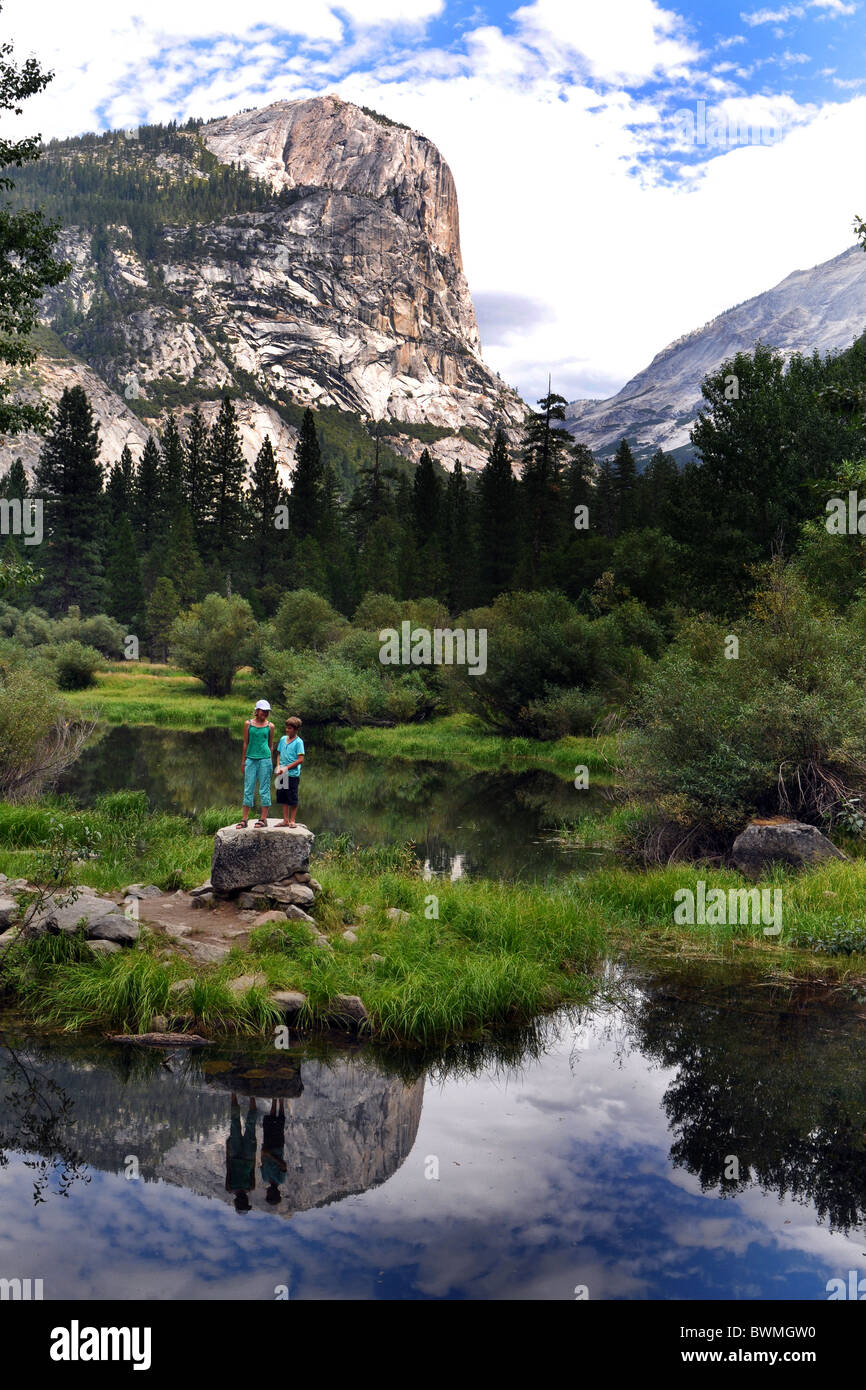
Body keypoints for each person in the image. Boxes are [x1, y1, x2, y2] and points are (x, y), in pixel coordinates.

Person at [237, 700, 275, 829]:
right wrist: (243, 761)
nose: (264, 713)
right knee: (248, 788)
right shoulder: (248, 724)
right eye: (262, 710)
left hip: (265, 759)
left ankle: (263, 819)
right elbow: (245, 743)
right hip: (250, 759)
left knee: (264, 789)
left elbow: (270, 745)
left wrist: (270, 761)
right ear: (257, 711)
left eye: (266, 711)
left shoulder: (270, 726)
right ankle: (244, 819)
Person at [225, 1094, 257, 1213]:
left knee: (241, 1124)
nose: (245, 1201)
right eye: (246, 1203)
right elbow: (228, 1168)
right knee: (241, 1124)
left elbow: (228, 1169)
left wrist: (227, 1150)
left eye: (244, 1203)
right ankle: (251, 1095)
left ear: (238, 1202)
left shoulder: (231, 1188)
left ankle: (235, 1092)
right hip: (241, 1156)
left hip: (242, 1156)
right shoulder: (247, 1187)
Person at [274, 715, 305, 828]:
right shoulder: (283, 739)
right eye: (286, 728)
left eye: (290, 728)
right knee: (283, 796)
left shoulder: (299, 742)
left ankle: (292, 820)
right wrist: (278, 766)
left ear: (296, 729)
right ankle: (285, 820)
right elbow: (278, 753)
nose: (287, 730)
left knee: (292, 797)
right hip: (282, 773)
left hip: (292, 774)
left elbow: (300, 759)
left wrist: (287, 768)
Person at [261, 1098, 288, 1205]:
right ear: (274, 1193)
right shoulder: (280, 1180)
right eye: (269, 1195)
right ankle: (281, 1100)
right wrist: (270, 1155)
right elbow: (283, 1165)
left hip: (267, 1145)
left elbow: (263, 1164)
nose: (267, 1193)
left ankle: (274, 1100)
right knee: (279, 1123)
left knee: (269, 1122)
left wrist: (263, 1153)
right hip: (277, 1146)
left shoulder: (265, 1178)